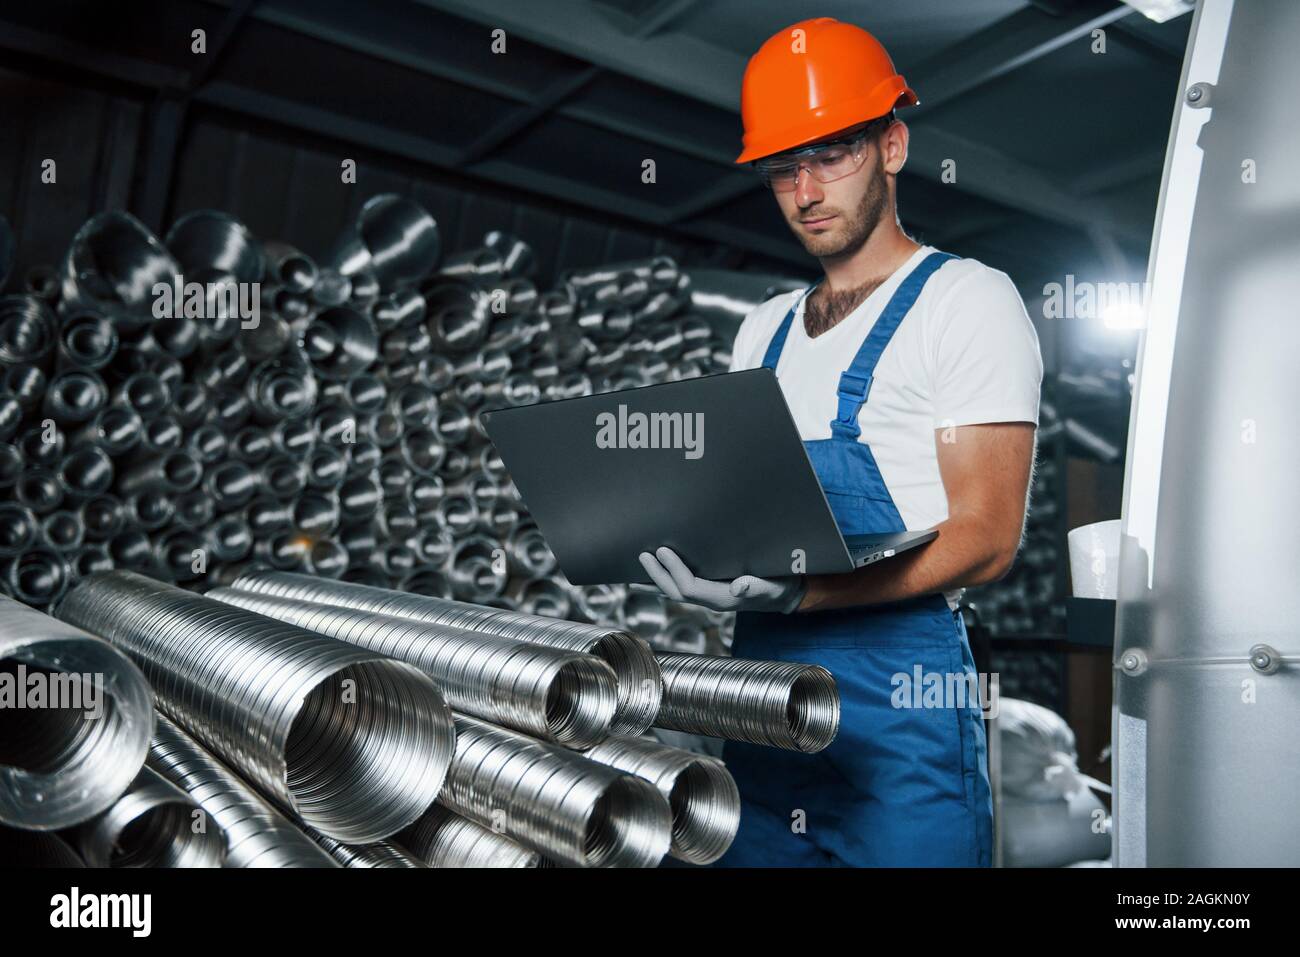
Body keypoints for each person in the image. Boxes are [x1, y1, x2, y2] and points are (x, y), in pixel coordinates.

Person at [638, 17, 1043, 866]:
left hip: (902, 704)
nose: (807, 190)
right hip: (763, 699)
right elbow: (746, 511)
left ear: (893, 145)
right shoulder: (763, 331)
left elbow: (986, 537)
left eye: (833, 155)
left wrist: (804, 596)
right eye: (783, 167)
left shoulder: (965, 300)